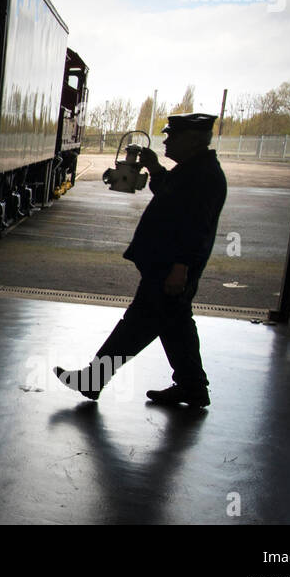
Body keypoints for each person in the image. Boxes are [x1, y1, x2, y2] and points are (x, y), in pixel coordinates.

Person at [54, 112, 227, 407]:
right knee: (176, 324)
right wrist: (157, 170)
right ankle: (193, 386)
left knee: (138, 323)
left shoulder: (203, 176)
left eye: (173, 136)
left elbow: (196, 228)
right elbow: (169, 195)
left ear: (193, 140)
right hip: (169, 265)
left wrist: (180, 268)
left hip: (170, 267)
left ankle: (94, 379)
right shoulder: (193, 170)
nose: (166, 139)